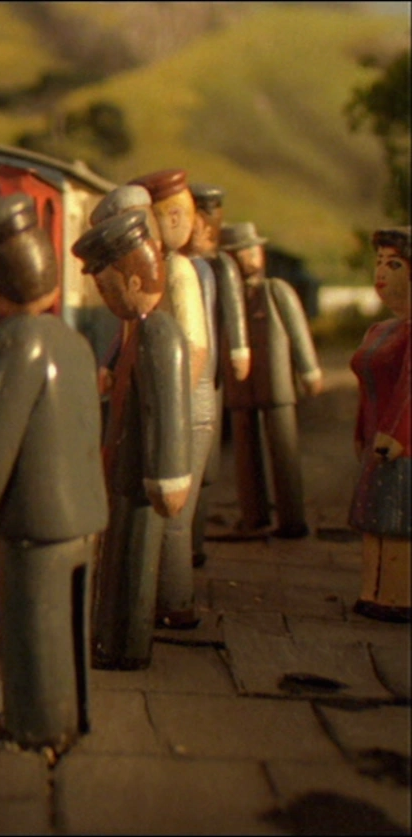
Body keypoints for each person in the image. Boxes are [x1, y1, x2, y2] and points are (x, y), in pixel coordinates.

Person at [0, 192, 109, 753]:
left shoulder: (13, 342)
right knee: (71, 623)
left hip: (36, 516)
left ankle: (36, 727)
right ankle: (72, 715)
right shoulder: (72, 341)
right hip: (83, 509)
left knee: (34, 622)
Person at [72, 209, 191, 670]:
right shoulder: (137, 330)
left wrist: (170, 474)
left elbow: (168, 407)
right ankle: (111, 638)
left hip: (144, 475)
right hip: (125, 470)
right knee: (118, 559)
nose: (104, 299)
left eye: (107, 288)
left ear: (134, 281)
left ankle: (126, 644)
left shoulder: (159, 332)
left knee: (134, 561)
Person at [129, 169, 210, 629]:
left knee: (175, 518)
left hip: (186, 407)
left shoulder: (178, 272)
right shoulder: (160, 268)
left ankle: (176, 603)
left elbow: (195, 346)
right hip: (173, 406)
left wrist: (170, 406)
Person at [220, 222, 323, 538]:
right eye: (242, 252)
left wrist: (309, 369)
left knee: (284, 450)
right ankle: (254, 516)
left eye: (254, 250)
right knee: (245, 454)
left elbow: (298, 331)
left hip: (275, 380)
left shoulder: (276, 290)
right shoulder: (224, 300)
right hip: (239, 386)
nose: (251, 257)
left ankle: (292, 520)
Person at [183, 183, 250, 567]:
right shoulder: (178, 264)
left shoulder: (220, 266)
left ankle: (194, 541)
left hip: (209, 374)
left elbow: (234, 310)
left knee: (204, 464)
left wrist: (239, 349)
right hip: (184, 370)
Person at [349, 226, 411, 622]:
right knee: (373, 517)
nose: (382, 273)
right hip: (376, 439)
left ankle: (397, 594)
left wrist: (399, 433)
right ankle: (371, 591)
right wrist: (362, 430)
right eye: (379, 263)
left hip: (401, 447)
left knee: (399, 520)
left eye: (395, 265)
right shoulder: (380, 330)